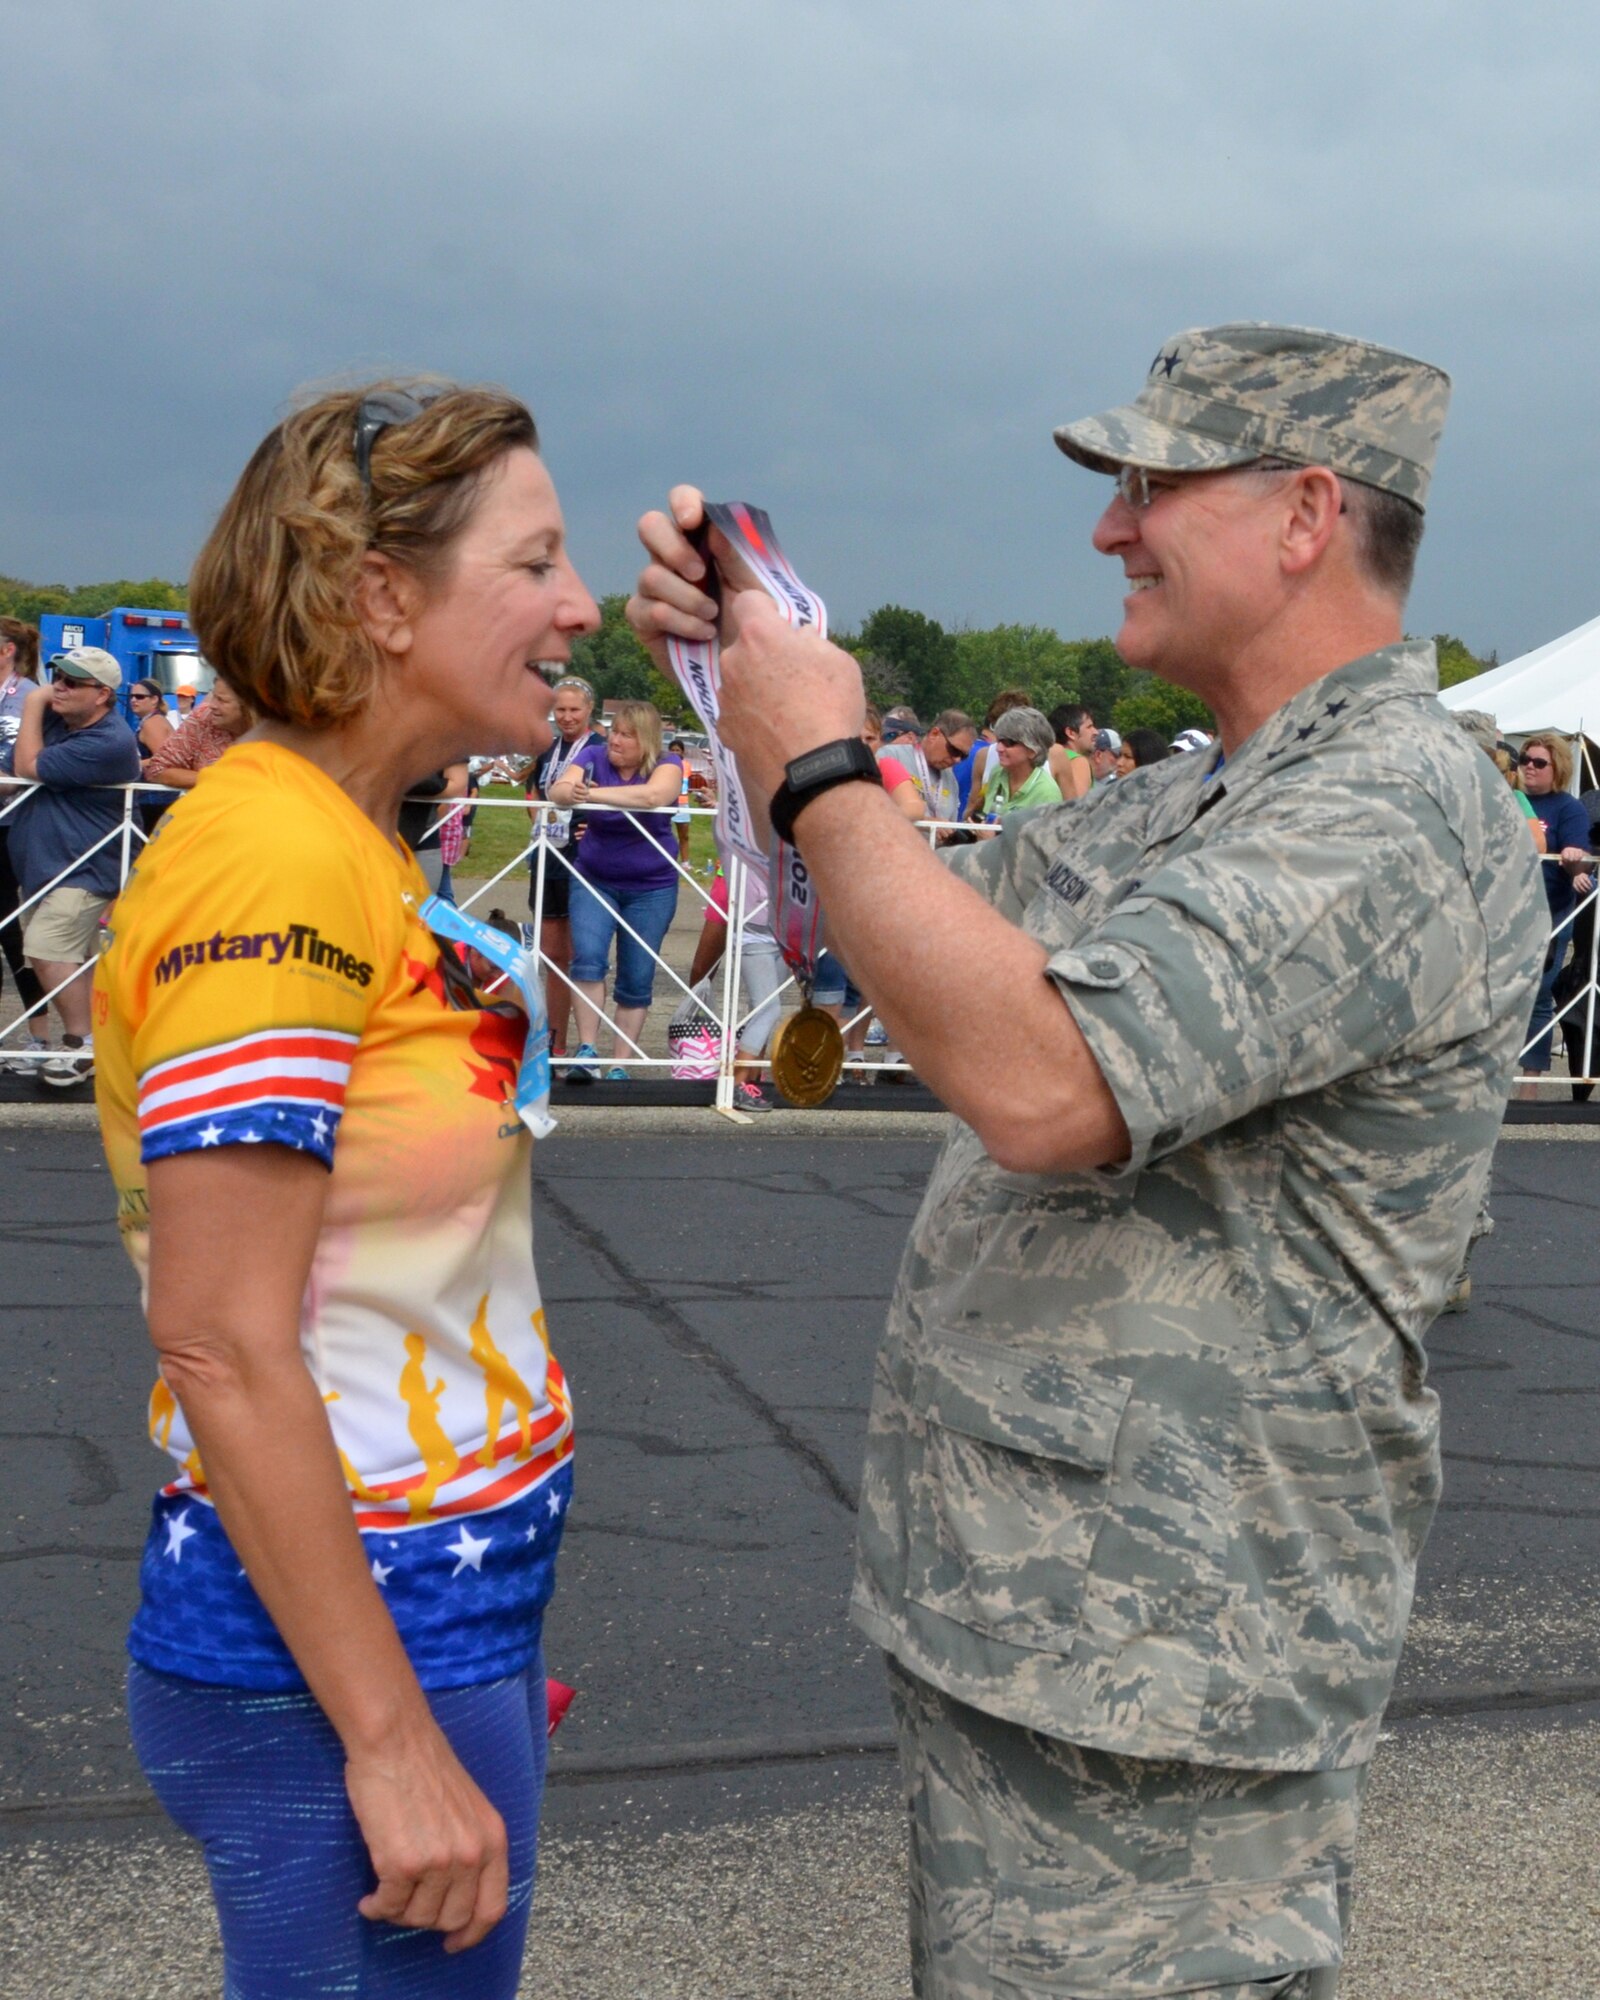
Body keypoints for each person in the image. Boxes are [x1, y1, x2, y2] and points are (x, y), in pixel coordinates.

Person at [628, 321, 1545, 2000]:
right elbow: (934, 943)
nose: (1111, 528)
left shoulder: (1390, 808)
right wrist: (764, 679)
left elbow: (1047, 1085)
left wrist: (825, 763)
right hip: (1066, 1636)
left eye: (1151, 486)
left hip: (1168, 1664)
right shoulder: (1217, 798)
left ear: (1304, 516)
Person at [93, 378, 600, 1998]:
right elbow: (225, 1337)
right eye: (534, 564)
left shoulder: (346, 839)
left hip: (425, 1611)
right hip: (343, 1655)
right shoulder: (280, 861)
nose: (579, 607)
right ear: (383, 597)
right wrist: (387, 1739)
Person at [5, 646, 141, 1088]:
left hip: (88, 865)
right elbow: (12, 774)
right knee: (77, 960)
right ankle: (86, 1044)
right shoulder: (58, 724)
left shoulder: (110, 740)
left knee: (47, 948)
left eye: (70, 682)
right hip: (51, 865)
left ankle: (82, 1046)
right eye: (55, 677)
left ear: (102, 695)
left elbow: (28, 766)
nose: (57, 687)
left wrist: (31, 701)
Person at [546, 697, 682, 1082]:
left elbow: (655, 796)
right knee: (587, 957)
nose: (615, 741)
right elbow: (558, 789)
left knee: (637, 976)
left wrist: (589, 796)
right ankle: (587, 1049)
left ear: (647, 741)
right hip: (594, 877)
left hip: (652, 885)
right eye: (615, 732)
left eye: (626, 735)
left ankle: (621, 1062)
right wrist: (568, 790)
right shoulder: (591, 755)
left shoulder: (667, 763)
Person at [525, 674, 604, 1059]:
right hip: (546, 856)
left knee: (579, 953)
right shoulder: (547, 749)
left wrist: (598, 825)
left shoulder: (602, 749)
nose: (567, 717)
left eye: (575, 709)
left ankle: (585, 1043)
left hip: (584, 859)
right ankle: (554, 1041)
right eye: (560, 710)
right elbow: (534, 796)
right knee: (550, 951)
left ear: (590, 710)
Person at [1513, 730, 1593, 1091]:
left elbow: (1582, 866)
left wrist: (1576, 860)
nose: (1529, 767)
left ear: (1556, 767)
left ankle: (1530, 1083)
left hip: (1550, 912)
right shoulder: (1507, 799)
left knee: (1539, 992)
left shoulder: (1568, 808)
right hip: (1504, 912)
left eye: (1538, 762)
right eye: (1524, 760)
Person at [0, 616, 47, 1049]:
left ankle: (38, 1035)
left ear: (7, 650)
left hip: (13, 823)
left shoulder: (30, 697)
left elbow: (32, 761)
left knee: (11, 928)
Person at [143, 676, 253, 792]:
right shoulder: (203, 718)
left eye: (222, 700)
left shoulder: (271, 728)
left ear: (249, 705)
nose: (212, 705)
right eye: (213, 697)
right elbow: (158, 768)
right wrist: (214, 779)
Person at [978, 706, 1064, 817]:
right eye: (999, 740)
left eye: (1008, 743)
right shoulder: (997, 773)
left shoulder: (1047, 792)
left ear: (1032, 750)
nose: (998, 748)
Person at [1045, 703, 1096, 800]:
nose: (1095, 732)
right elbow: (1076, 806)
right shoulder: (1077, 761)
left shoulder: (1046, 757)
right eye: (1089, 727)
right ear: (1071, 733)